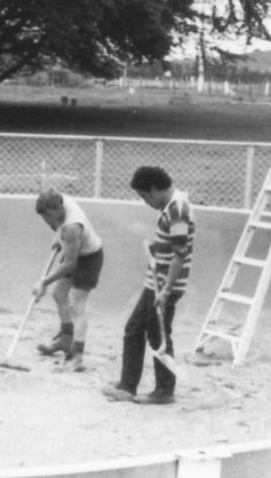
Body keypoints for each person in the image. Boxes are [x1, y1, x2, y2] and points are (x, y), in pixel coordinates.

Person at [102, 166, 195, 404]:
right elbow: (172, 245)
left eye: (145, 197)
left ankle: (164, 391)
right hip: (157, 282)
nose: (145, 202)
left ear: (154, 190)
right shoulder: (171, 206)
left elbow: (179, 254)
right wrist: (156, 246)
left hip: (166, 286)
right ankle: (127, 386)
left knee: (157, 335)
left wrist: (165, 292)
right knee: (135, 329)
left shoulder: (178, 209)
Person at [33, 188, 104, 372]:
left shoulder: (72, 227)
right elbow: (61, 229)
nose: (47, 221)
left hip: (89, 258)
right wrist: (59, 237)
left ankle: (77, 357)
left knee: (76, 306)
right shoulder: (61, 201)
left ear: (58, 208)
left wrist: (43, 282)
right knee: (59, 294)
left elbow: (70, 263)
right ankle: (66, 339)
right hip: (75, 250)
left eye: (49, 216)